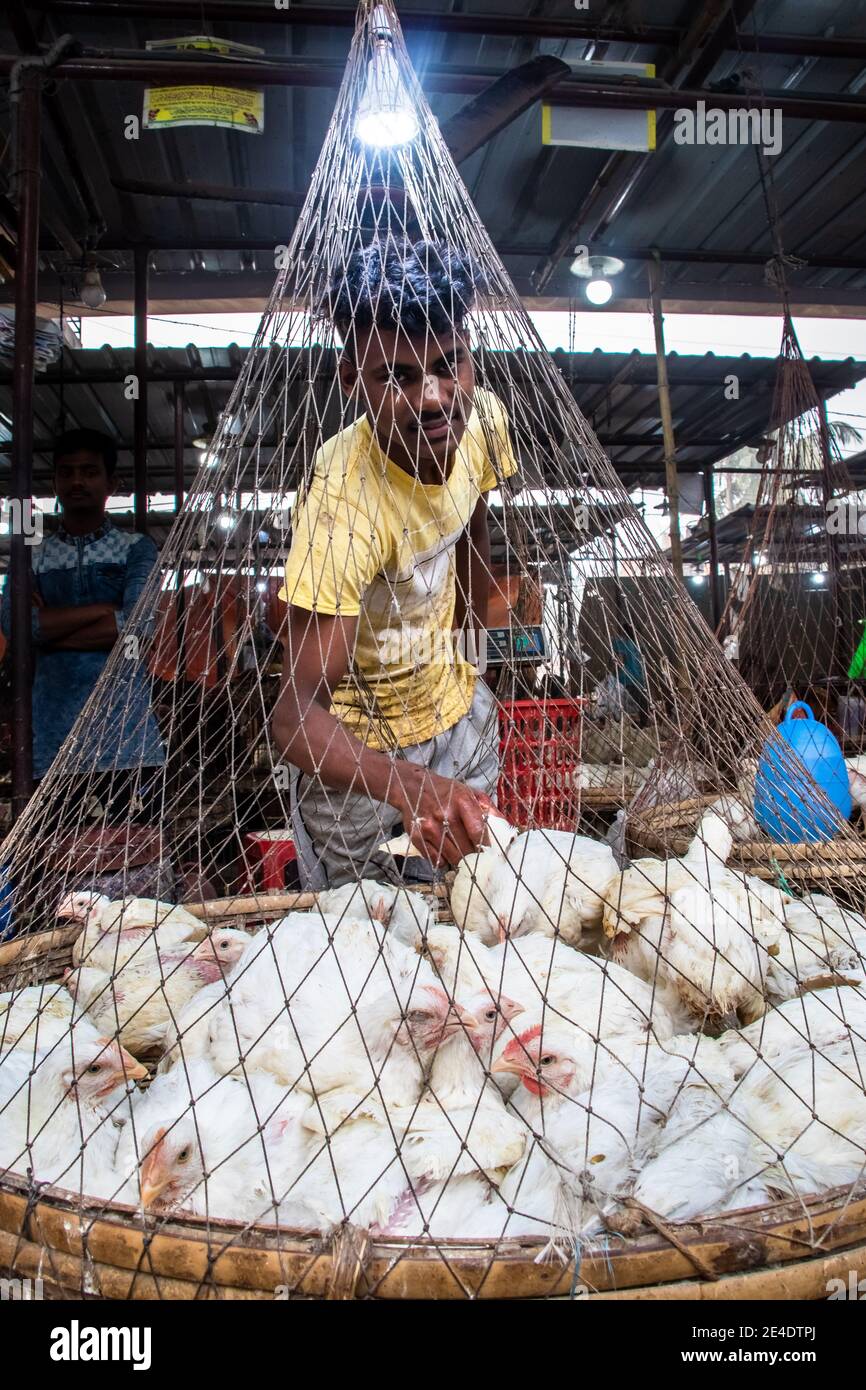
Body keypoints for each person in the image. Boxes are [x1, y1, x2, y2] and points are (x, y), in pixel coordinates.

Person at [273, 239, 518, 888]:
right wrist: (412, 788)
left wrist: (475, 655)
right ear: (351, 378)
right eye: (398, 377)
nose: (435, 397)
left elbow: (471, 527)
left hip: (456, 720)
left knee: (474, 926)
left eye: (449, 365)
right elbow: (294, 720)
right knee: (372, 953)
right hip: (358, 763)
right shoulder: (341, 506)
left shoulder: (485, 420)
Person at [0, 428, 164, 810]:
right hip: (51, 738)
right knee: (51, 861)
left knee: (136, 856)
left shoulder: (135, 548)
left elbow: (140, 628)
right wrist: (106, 611)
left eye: (89, 471)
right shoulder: (32, 554)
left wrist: (45, 628)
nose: (77, 481)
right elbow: (15, 628)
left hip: (127, 738)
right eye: (67, 471)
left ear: (112, 483)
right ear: (55, 481)